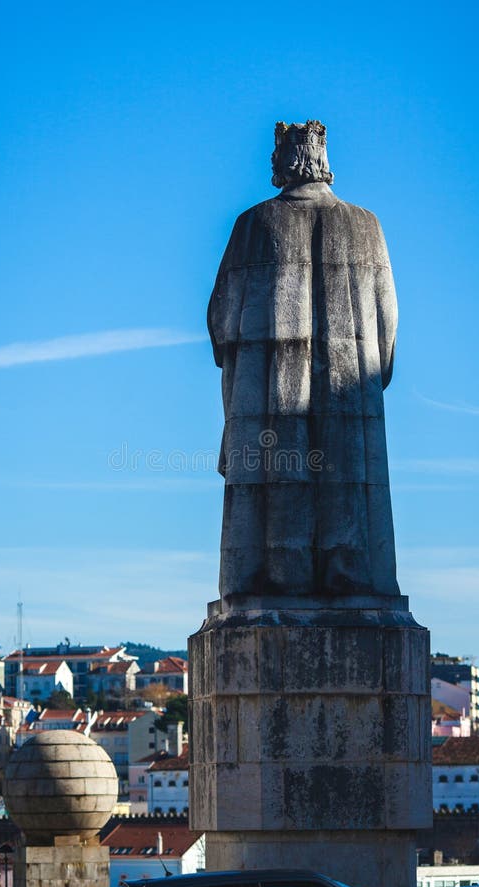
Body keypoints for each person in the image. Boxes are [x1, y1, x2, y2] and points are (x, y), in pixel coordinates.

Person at [208, 121, 401, 608]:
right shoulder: (367, 226)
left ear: (281, 161)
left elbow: (219, 322)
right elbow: (388, 326)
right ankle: (351, 581)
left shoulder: (253, 226)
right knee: (350, 502)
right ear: (323, 159)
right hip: (351, 395)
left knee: (277, 499)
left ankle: (280, 580)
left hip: (271, 398)